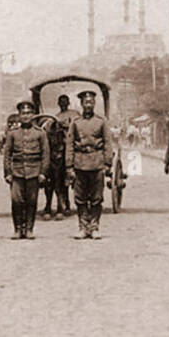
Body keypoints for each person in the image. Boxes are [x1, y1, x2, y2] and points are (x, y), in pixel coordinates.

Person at [65, 89, 110, 240]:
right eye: (86, 102)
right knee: (80, 197)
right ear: (82, 104)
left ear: (94, 103)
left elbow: (107, 143)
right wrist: (69, 166)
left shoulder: (101, 122)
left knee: (97, 197)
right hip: (79, 163)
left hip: (97, 162)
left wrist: (107, 163)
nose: (88, 105)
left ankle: (95, 227)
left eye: (91, 102)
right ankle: (83, 227)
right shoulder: (75, 123)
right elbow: (70, 144)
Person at [4, 101, 50, 239]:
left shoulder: (40, 133)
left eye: (29, 113)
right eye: (23, 113)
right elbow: (7, 154)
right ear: (19, 115)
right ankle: (18, 229)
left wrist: (43, 172)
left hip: (33, 171)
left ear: (33, 115)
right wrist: (8, 173)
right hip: (17, 172)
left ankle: (29, 229)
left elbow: (45, 154)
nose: (26, 116)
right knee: (16, 201)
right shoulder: (13, 134)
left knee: (31, 201)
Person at [43, 94, 77, 219]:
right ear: (58, 103)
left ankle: (64, 203)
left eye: (65, 102)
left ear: (68, 102)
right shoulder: (55, 117)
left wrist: (66, 128)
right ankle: (50, 205)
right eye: (61, 102)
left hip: (69, 144)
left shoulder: (74, 114)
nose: (63, 104)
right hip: (57, 146)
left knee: (61, 177)